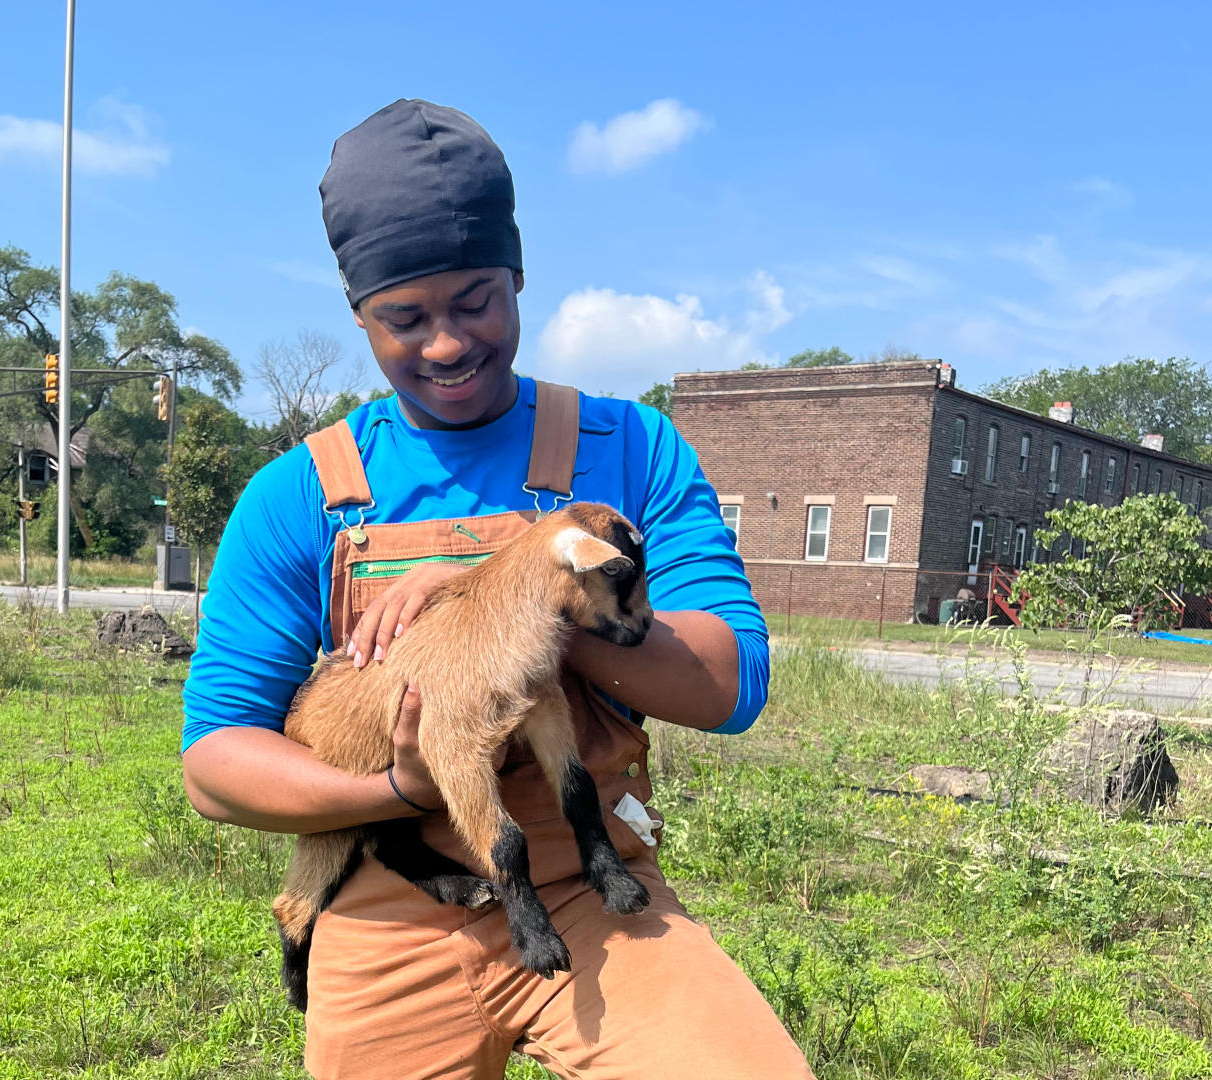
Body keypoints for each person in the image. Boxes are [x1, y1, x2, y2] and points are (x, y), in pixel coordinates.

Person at [181, 98, 811, 1080]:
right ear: (357, 315)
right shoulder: (300, 494)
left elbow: (729, 688)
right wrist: (389, 789)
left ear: (518, 276)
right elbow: (216, 757)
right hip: (389, 908)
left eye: (476, 300)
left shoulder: (628, 447)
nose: (446, 343)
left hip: (591, 891)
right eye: (405, 317)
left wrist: (519, 579)